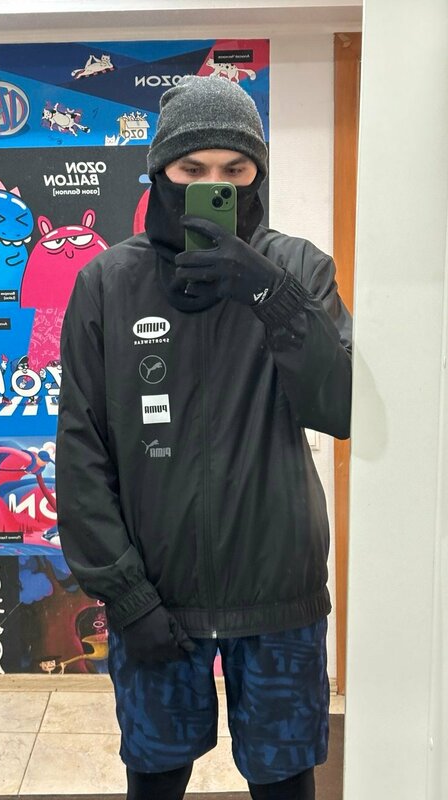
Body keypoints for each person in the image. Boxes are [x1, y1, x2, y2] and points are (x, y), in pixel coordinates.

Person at [55, 75, 352, 800]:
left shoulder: (300, 270)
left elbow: (341, 406)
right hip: (157, 596)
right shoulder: (106, 284)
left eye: (234, 169)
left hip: (279, 599)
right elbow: (82, 455)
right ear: (160, 172)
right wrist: (126, 597)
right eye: (191, 169)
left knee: (286, 784)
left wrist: (266, 291)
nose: (212, 185)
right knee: (156, 781)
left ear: (258, 175)